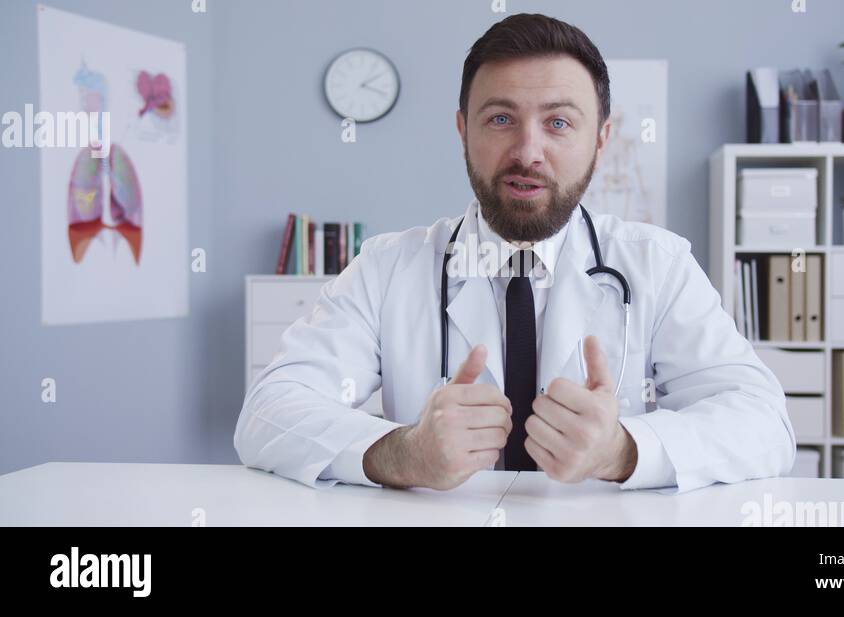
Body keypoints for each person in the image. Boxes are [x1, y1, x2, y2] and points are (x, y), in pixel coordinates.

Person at [234, 13, 795, 493]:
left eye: (558, 123)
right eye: (501, 119)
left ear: (601, 138)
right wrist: (401, 452)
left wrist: (623, 450)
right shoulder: (385, 268)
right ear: (462, 130)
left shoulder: (659, 266)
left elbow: (764, 423)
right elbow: (267, 413)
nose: (529, 152)